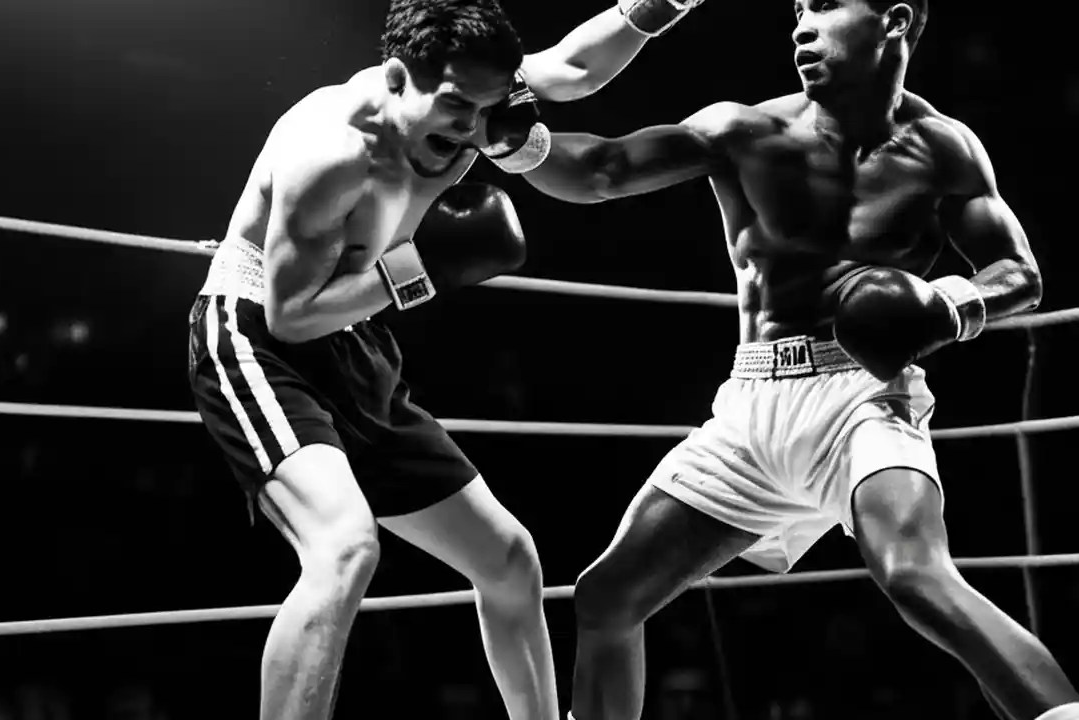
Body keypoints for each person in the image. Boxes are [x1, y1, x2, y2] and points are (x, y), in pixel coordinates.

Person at [521, 2, 1079, 720]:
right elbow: (600, 170)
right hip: (751, 406)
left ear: (894, 19)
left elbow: (1019, 273)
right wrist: (512, 140)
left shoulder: (942, 147)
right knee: (607, 596)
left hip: (864, 399)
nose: (800, 26)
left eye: (824, 5)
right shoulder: (744, 129)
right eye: (796, 9)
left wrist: (947, 306)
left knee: (915, 576)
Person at [185, 0, 708, 718]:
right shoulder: (333, 151)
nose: (471, 127)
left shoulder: (477, 102)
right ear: (398, 77)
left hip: (354, 338)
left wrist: (660, 4)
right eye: (457, 105)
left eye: (487, 106)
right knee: (345, 548)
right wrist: (420, 267)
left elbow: (574, 68)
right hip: (257, 338)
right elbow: (292, 316)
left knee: (509, 560)